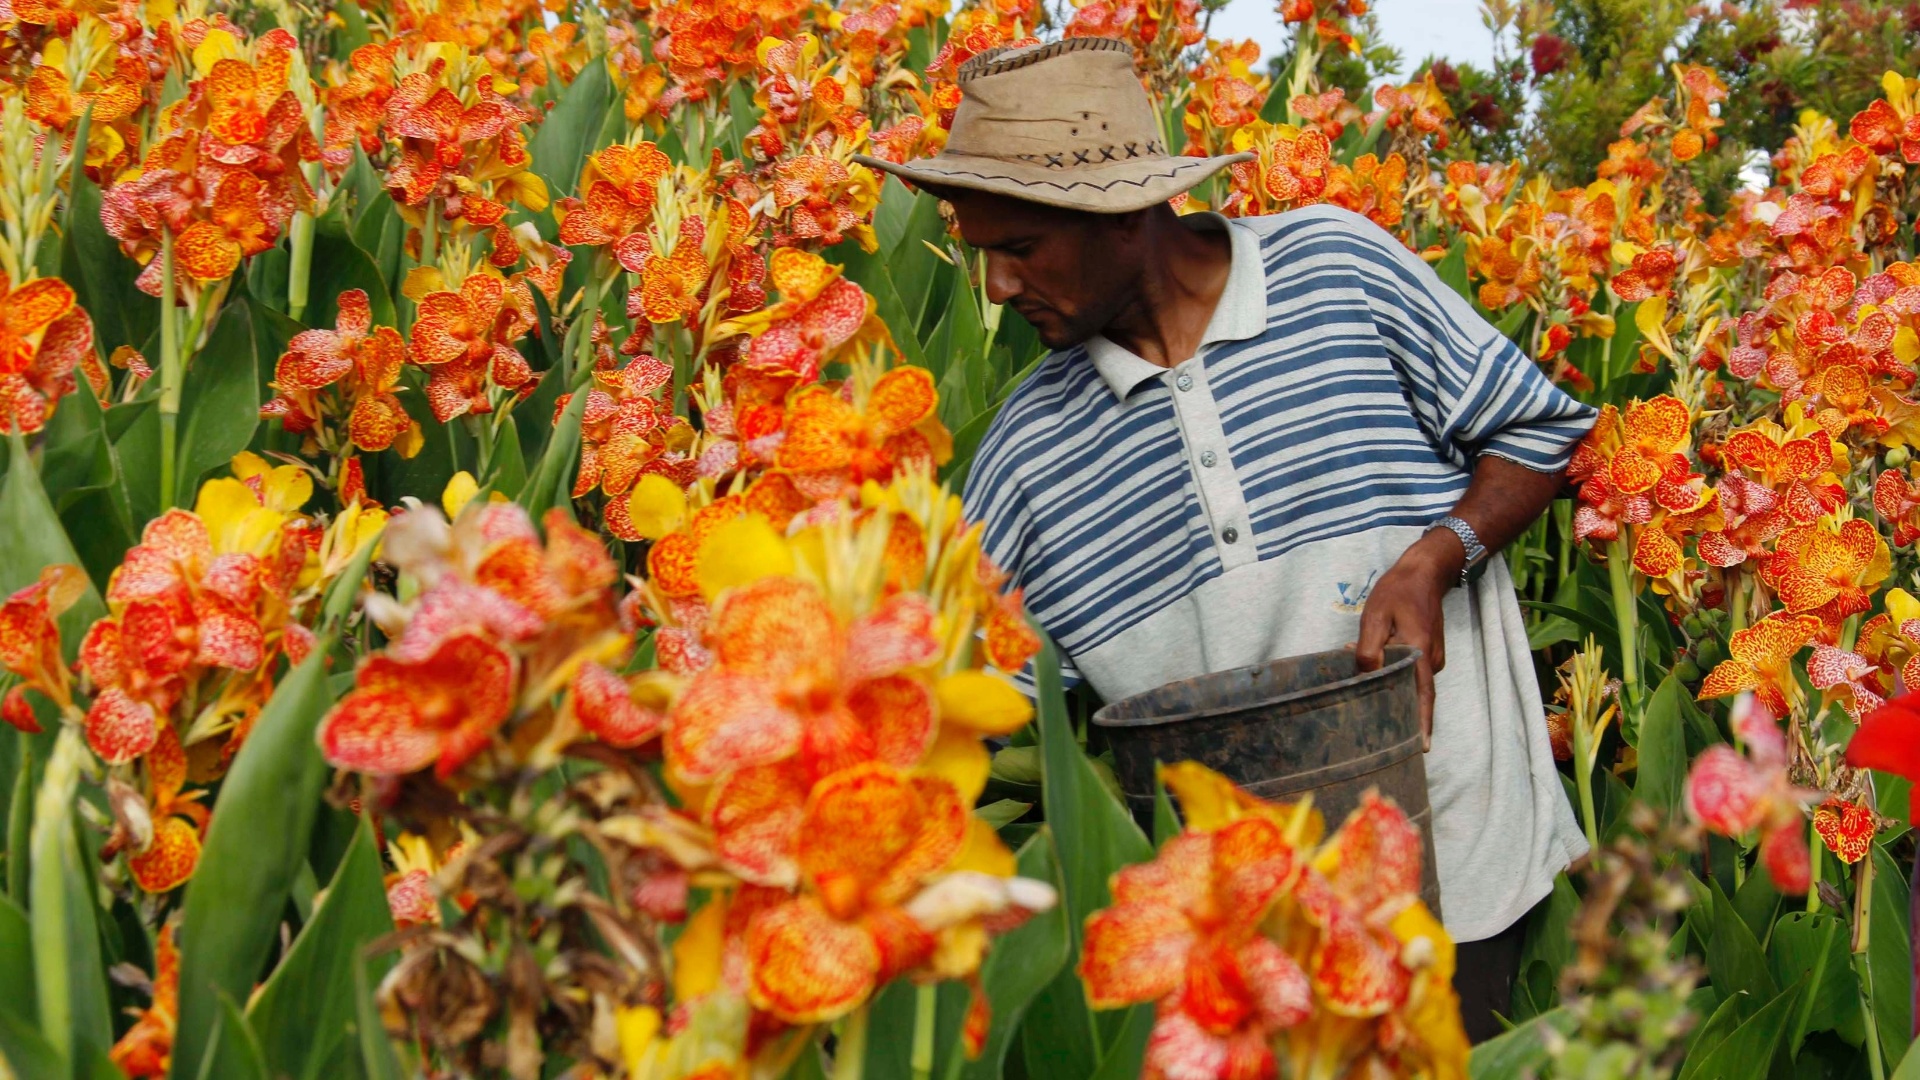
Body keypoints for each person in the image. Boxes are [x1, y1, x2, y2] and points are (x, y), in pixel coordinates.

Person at [854, 35, 1596, 1042]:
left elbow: (1542, 430)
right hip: (1242, 955)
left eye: (1018, 248)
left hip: (1456, 863)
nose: (992, 286)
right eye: (981, 249)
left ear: (1122, 213)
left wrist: (1436, 555)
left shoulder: (1337, 269)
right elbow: (948, 696)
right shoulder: (1027, 455)